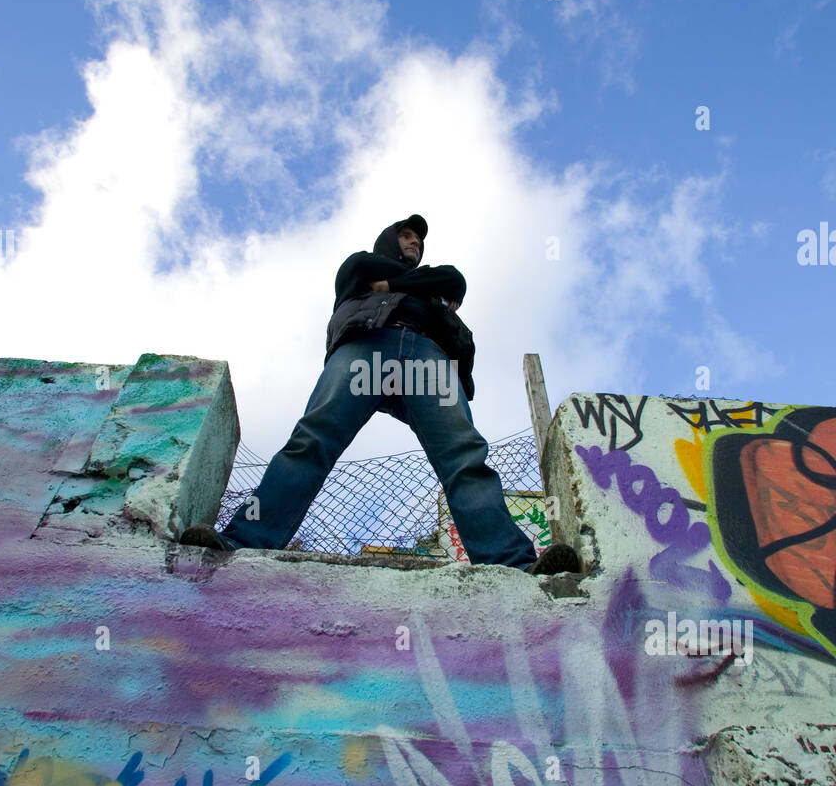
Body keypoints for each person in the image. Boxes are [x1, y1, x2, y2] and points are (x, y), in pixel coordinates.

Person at [181, 214, 580, 576]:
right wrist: (415, 284)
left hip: (428, 356)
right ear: (388, 241)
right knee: (311, 440)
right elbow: (362, 268)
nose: (414, 243)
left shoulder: (418, 278)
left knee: (465, 457)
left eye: (418, 241)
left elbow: (454, 279)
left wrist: (393, 285)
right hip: (366, 347)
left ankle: (514, 565)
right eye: (405, 236)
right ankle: (240, 541)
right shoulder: (360, 267)